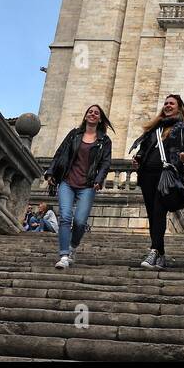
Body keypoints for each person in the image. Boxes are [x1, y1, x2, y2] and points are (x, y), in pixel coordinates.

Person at [43, 104, 113, 269]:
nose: (92, 114)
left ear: (100, 118)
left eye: (96, 113)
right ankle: (64, 255)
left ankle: (73, 246)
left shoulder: (104, 140)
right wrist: (51, 172)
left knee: (80, 222)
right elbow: (60, 153)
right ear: (85, 115)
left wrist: (99, 178)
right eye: (90, 112)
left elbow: (106, 162)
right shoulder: (74, 134)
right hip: (67, 181)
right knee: (65, 218)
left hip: (87, 184)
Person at [130, 93, 184, 270]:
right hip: (148, 174)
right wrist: (138, 159)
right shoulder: (154, 129)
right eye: (166, 103)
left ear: (179, 107)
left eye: (171, 103)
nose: (168, 105)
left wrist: (183, 156)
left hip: (166, 174)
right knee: (153, 214)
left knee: (159, 211)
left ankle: (154, 250)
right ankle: (161, 254)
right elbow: (144, 150)